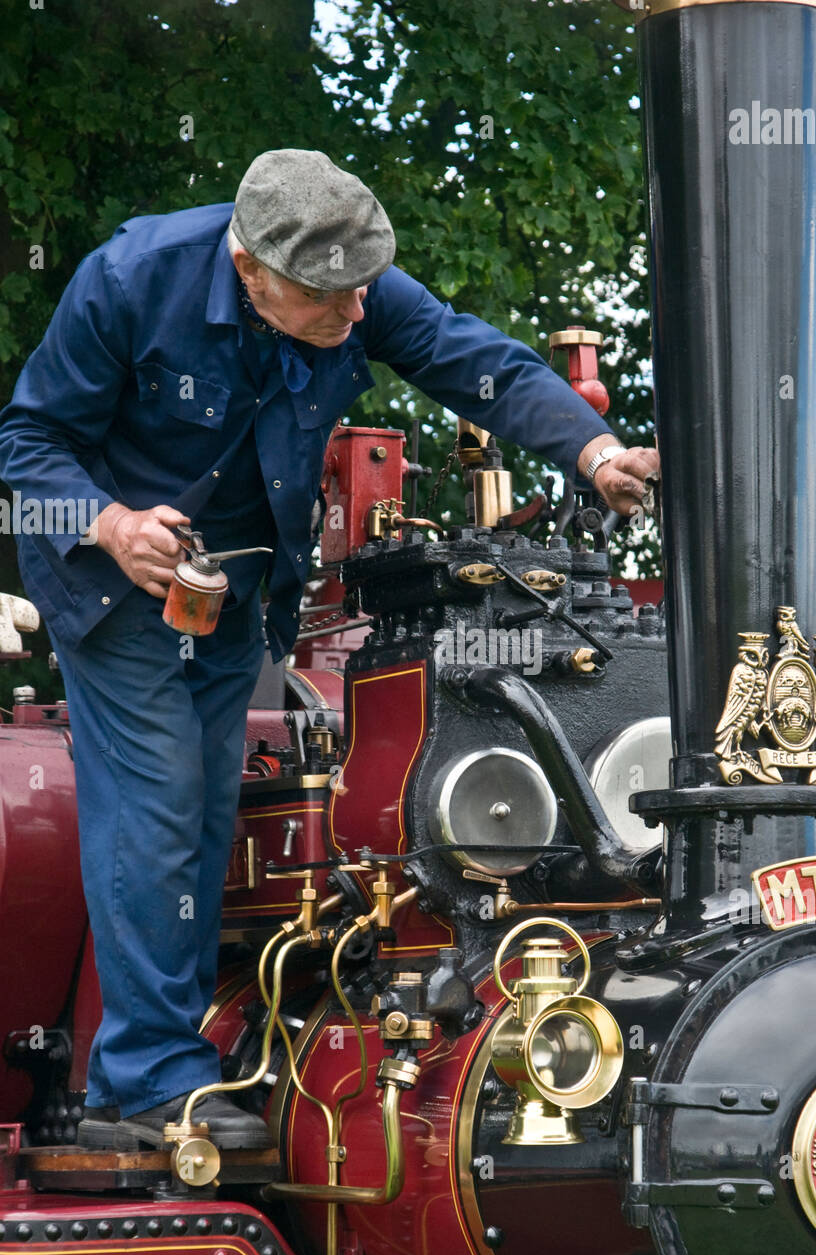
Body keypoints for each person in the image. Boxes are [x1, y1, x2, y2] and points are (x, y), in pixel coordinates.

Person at [0, 149, 659, 1151]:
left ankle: (214, 1049)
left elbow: (480, 361)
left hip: (237, 589)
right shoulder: (132, 279)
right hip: (116, 584)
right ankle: (143, 1085)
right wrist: (108, 524)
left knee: (208, 815)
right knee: (159, 800)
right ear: (249, 266)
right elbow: (27, 451)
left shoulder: (352, 284)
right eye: (328, 301)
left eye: (362, 294)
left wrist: (594, 450)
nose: (356, 318)